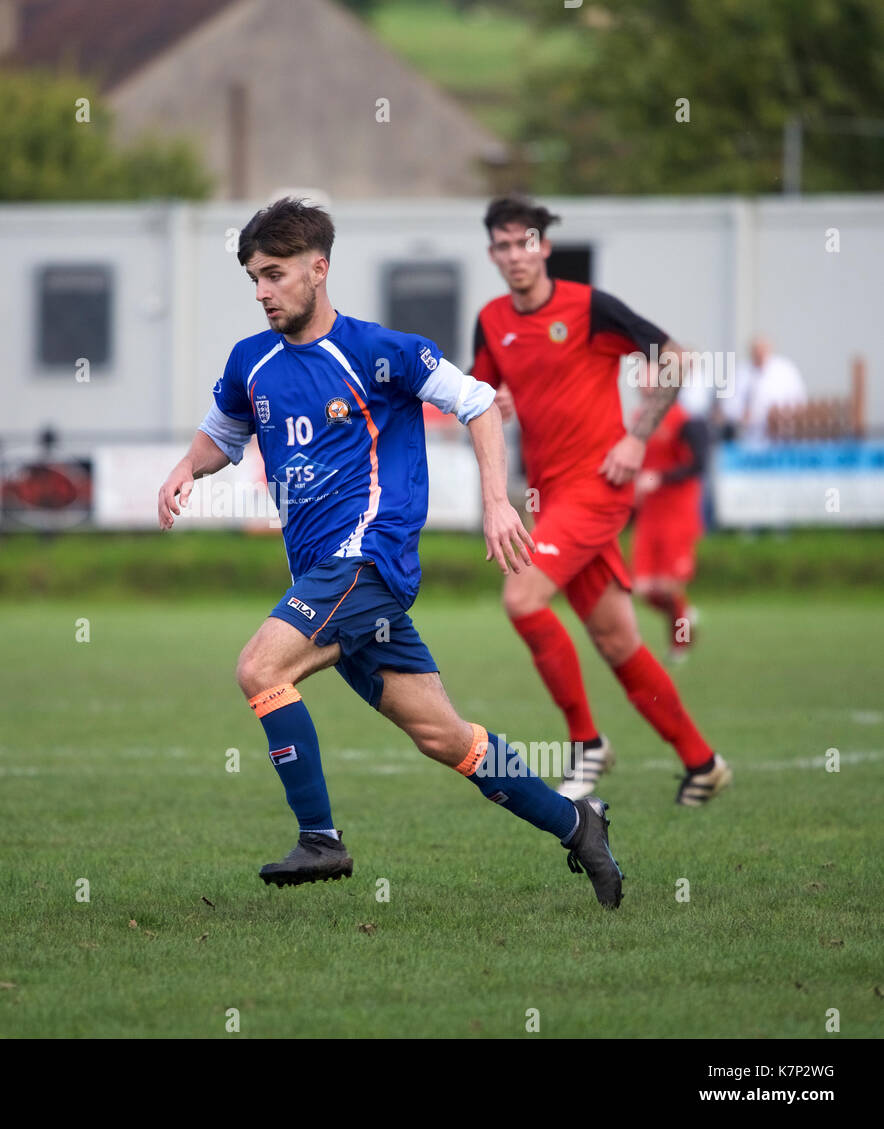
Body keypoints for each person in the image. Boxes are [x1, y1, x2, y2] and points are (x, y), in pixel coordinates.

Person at [158, 197, 624, 908]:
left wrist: (498, 500)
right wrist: (185, 469)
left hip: (368, 560)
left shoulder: (381, 352)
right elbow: (223, 432)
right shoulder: (250, 362)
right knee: (446, 737)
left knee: (260, 667)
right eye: (253, 277)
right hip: (328, 578)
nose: (261, 292)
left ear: (319, 269)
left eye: (275, 274)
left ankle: (321, 836)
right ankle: (578, 822)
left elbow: (479, 403)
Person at [472, 196, 730, 807]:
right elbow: (479, 394)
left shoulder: (588, 307)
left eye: (524, 242)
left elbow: (676, 357)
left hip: (596, 490)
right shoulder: (490, 319)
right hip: (553, 498)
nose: (515, 255)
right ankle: (702, 762)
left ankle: (586, 743)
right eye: (503, 246)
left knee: (521, 597)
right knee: (618, 641)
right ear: (492, 254)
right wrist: (491, 404)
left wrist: (638, 438)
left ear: (544, 247)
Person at [631, 376, 708, 664]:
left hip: (677, 513)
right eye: (640, 377)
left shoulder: (685, 420)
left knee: (668, 586)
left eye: (650, 378)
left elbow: (697, 464)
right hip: (649, 514)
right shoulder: (639, 419)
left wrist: (660, 478)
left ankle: (680, 646)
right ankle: (685, 616)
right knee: (642, 588)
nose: (643, 384)